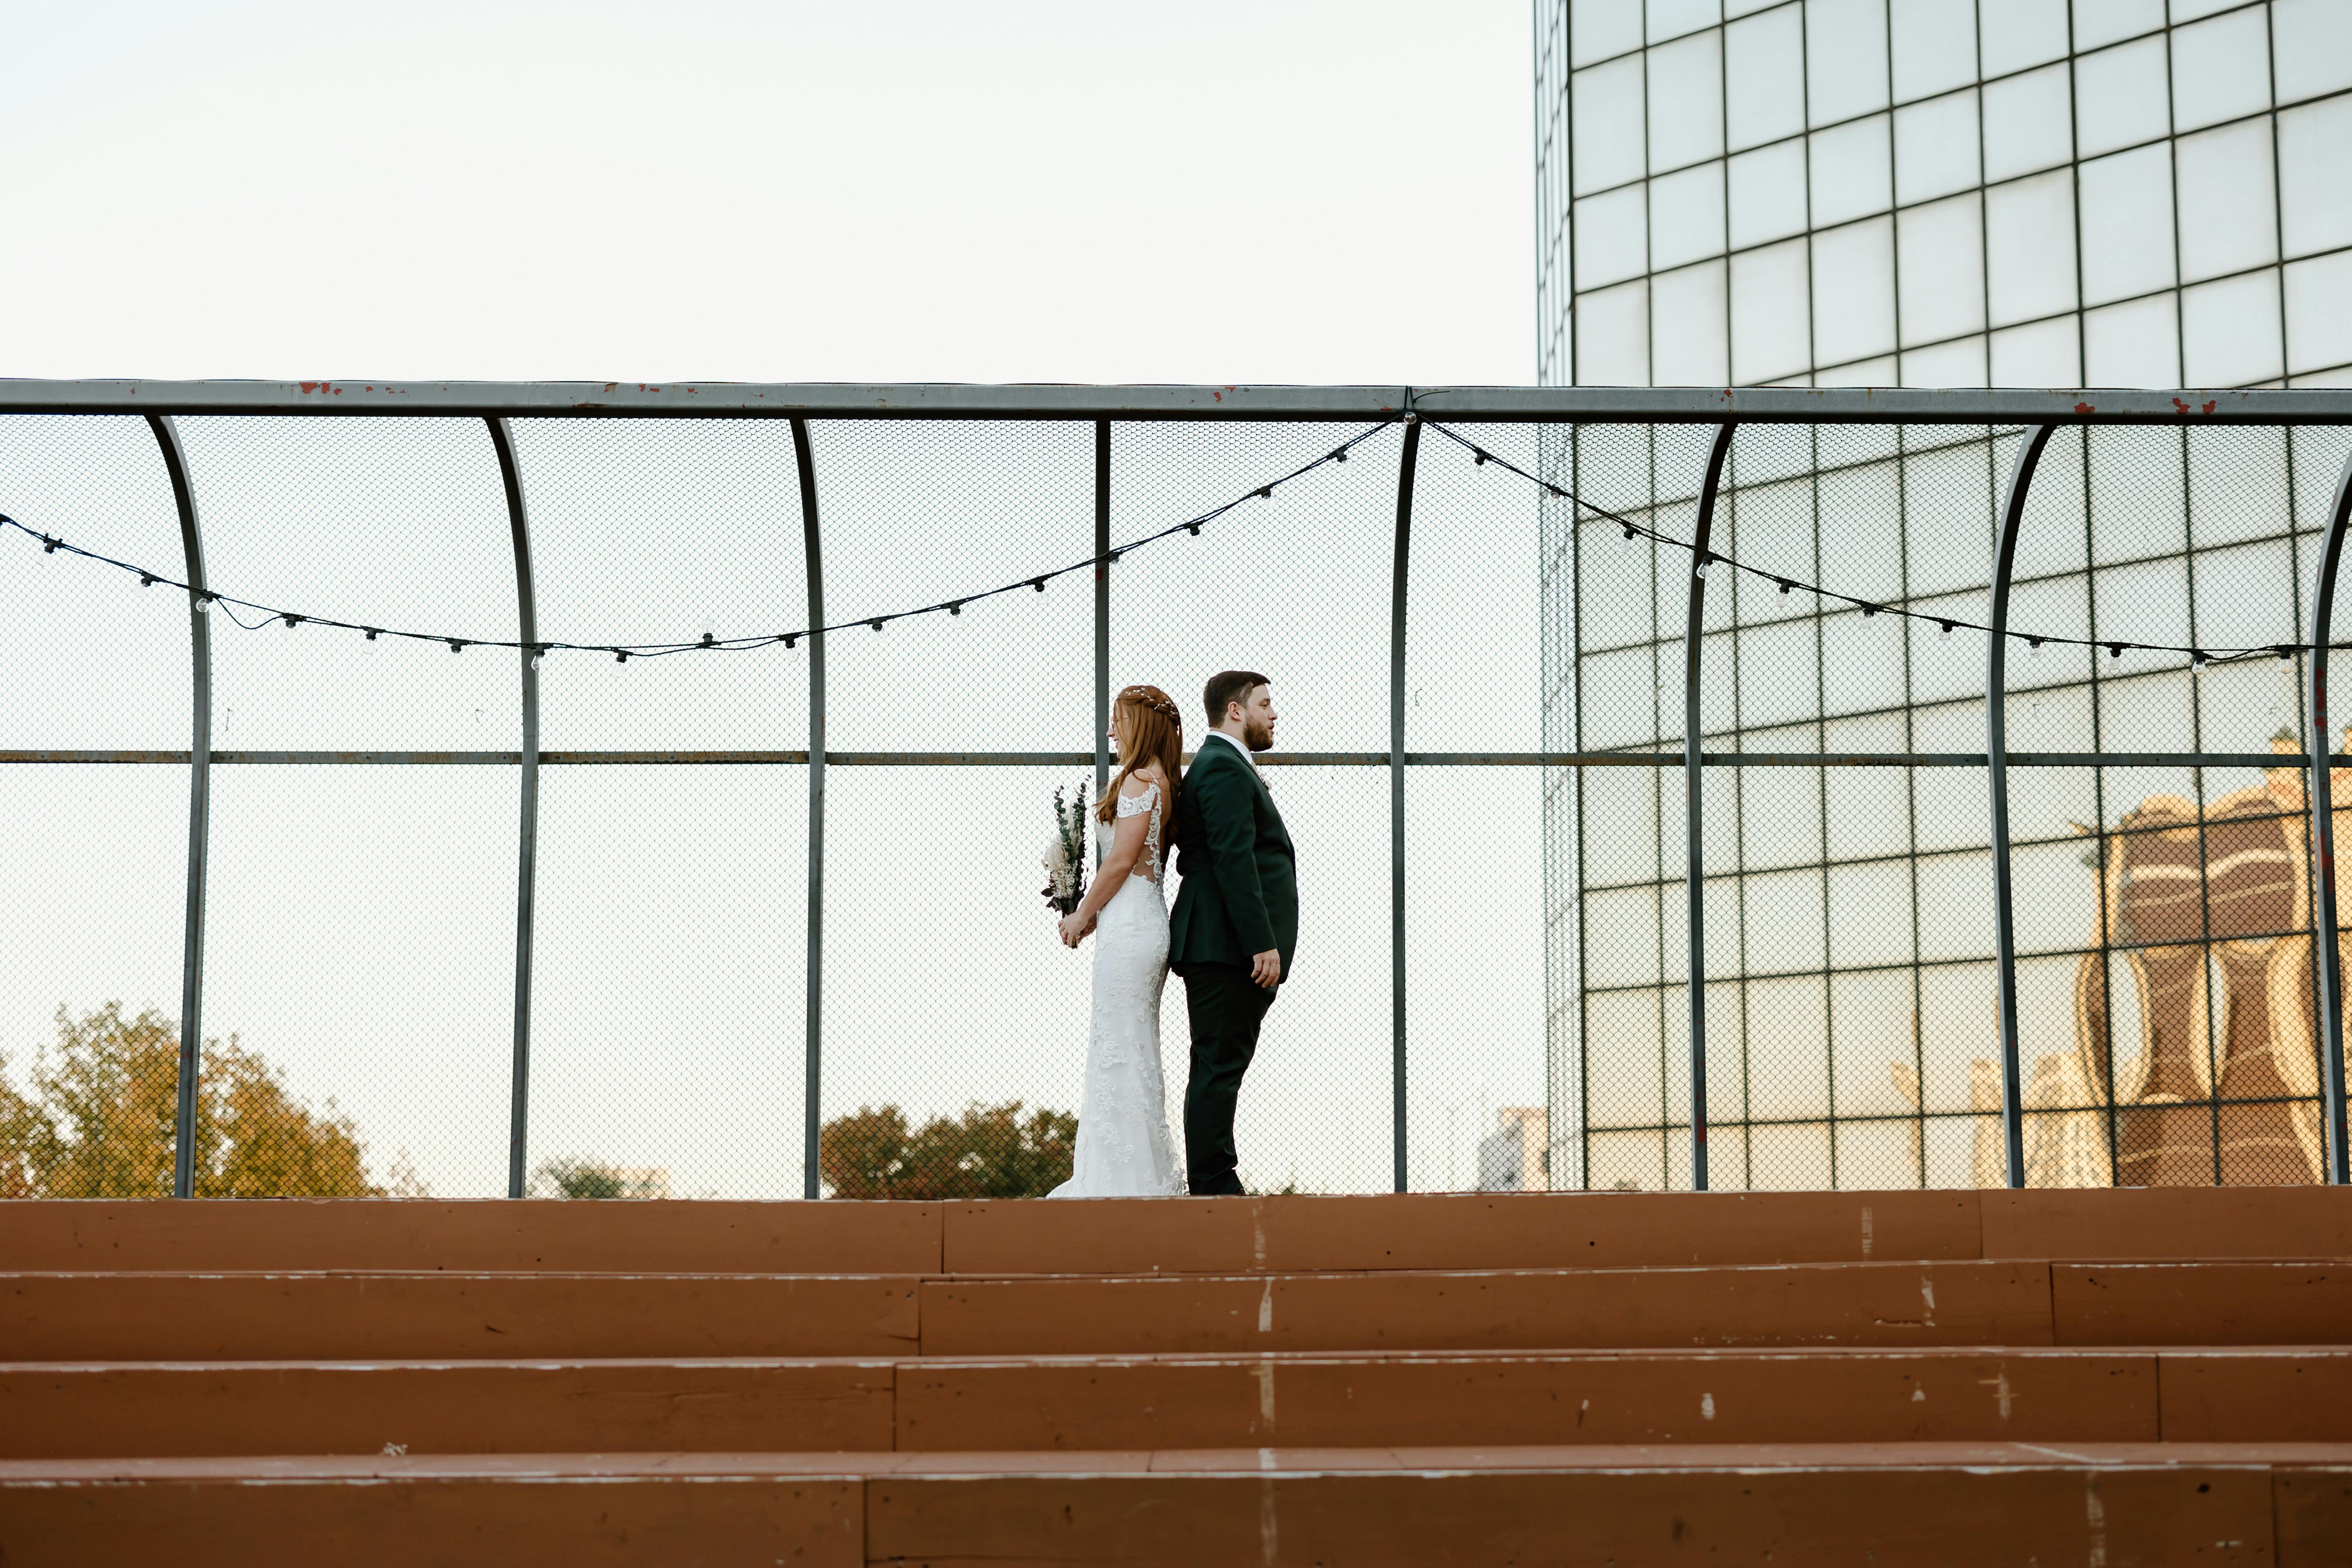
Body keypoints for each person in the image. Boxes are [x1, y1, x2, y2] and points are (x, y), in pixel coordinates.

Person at [1049, 684, 1187, 1197]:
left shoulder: (1137, 780)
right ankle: (1133, 1173)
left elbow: (1122, 860)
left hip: (1130, 927)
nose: (1110, 731)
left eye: (1117, 721)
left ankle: (1118, 1181)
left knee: (1119, 1044)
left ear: (1139, 725)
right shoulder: (1164, 781)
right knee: (1130, 1043)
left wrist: (1082, 913)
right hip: (1139, 922)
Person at [1166, 670, 1296, 1197]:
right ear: (1236, 711)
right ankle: (1214, 1184)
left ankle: (1214, 1178)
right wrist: (1260, 941)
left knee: (1221, 1063)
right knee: (1219, 1065)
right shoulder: (1221, 767)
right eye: (1265, 704)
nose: (1274, 714)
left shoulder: (1227, 766)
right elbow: (1233, 859)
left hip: (1226, 943)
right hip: (1225, 946)